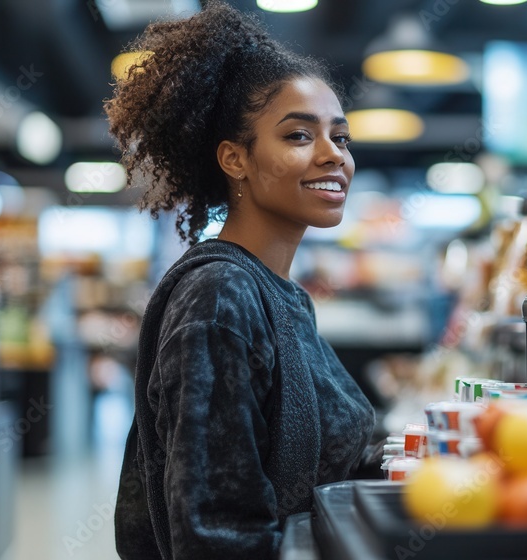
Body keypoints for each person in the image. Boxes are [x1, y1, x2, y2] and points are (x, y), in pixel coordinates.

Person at [104, 3, 381, 558]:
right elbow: (216, 532)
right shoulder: (219, 295)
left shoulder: (277, 294)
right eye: (300, 136)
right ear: (235, 158)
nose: (334, 156)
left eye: (341, 138)